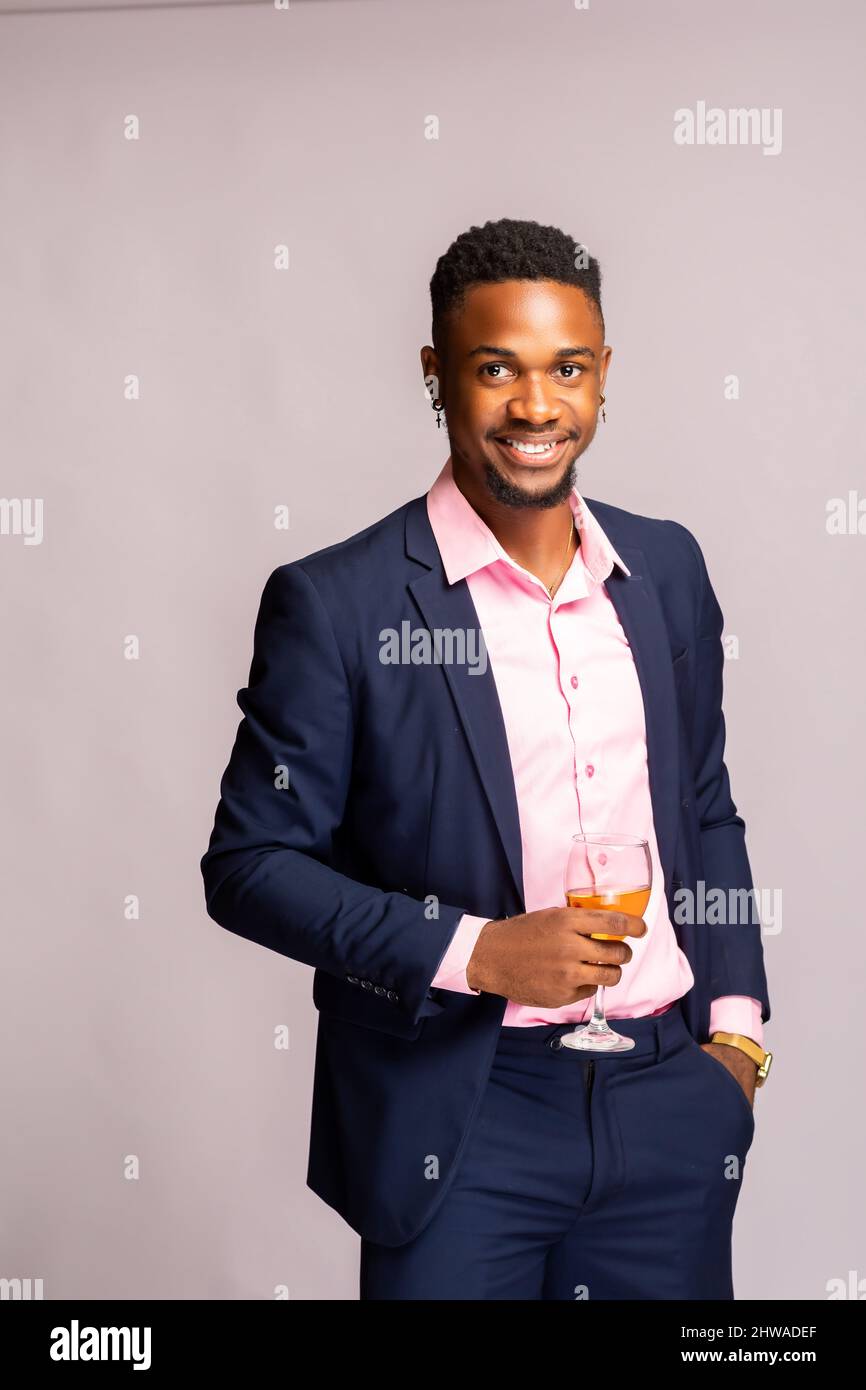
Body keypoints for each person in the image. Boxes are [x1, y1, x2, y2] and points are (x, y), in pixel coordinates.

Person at [200, 217, 772, 1300]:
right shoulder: (337, 604)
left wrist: (734, 1042)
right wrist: (476, 951)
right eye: (494, 368)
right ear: (436, 376)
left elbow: (702, 804)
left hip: (668, 1105)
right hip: (458, 1118)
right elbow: (249, 864)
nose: (534, 405)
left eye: (566, 368)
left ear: (602, 377)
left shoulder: (664, 568)